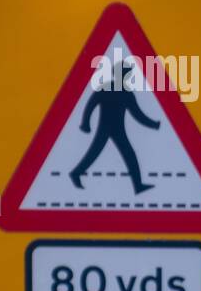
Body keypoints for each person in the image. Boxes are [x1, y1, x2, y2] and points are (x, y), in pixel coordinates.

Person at [69, 60, 161, 195]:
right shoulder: (112, 89)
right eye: (126, 73)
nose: (128, 76)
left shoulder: (125, 92)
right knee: (99, 153)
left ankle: (138, 185)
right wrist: (85, 123)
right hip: (107, 128)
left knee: (126, 154)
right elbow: (91, 105)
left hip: (117, 129)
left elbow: (137, 114)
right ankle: (76, 173)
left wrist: (153, 124)